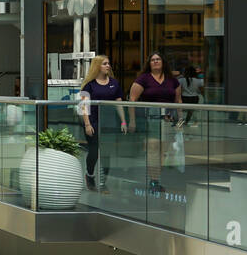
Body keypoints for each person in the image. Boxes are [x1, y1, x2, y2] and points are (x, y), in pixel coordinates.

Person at [129, 52, 183, 192]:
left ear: (163, 62)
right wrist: (132, 121)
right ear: (149, 63)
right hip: (150, 120)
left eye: (158, 59)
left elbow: (178, 101)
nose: (156, 61)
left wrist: (181, 119)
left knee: (163, 152)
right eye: (153, 60)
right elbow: (132, 100)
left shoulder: (172, 80)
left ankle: (157, 179)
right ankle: (153, 181)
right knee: (153, 149)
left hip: (168, 121)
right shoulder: (143, 79)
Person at [78, 55, 127, 193]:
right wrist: (87, 124)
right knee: (94, 150)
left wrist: (123, 121)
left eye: (108, 63)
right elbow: (84, 106)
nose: (108, 66)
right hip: (92, 122)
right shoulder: (89, 85)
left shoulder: (114, 83)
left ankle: (103, 181)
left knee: (106, 153)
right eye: (105, 63)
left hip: (109, 122)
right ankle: (90, 175)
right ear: (97, 66)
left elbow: (119, 103)